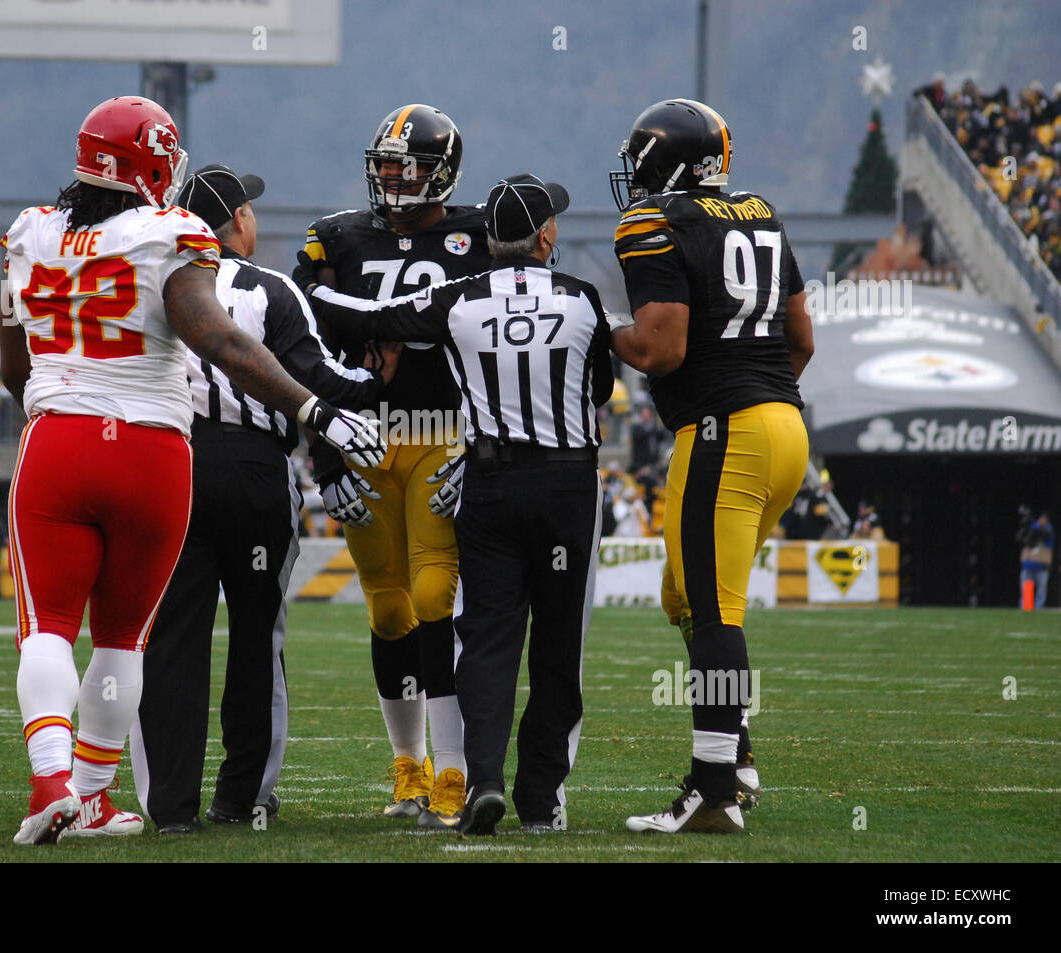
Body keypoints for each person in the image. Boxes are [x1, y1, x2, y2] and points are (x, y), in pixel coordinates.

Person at [0, 95, 384, 846]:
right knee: (122, 637)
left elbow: (16, 364)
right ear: (153, 162)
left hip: (57, 442)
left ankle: (52, 782)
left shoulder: (29, 232)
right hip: (150, 452)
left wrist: (58, 403)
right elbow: (222, 343)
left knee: (47, 625)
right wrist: (313, 411)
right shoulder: (169, 234)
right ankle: (92, 793)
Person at [303, 173, 613, 834]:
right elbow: (602, 389)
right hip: (564, 484)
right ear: (547, 235)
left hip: (488, 481)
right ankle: (543, 797)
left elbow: (370, 319)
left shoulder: (459, 297)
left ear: (488, 240)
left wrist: (309, 290)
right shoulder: (583, 298)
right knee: (558, 643)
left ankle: (482, 780)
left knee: (487, 639)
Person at [131, 165, 395, 834]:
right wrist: (376, 377)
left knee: (170, 638)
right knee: (257, 635)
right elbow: (317, 376)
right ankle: (241, 796)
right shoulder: (268, 287)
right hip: (252, 470)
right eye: (248, 209)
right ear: (235, 222)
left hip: (172, 463)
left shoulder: (153, 283)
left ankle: (170, 807)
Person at [607, 99, 814, 833]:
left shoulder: (653, 221)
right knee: (683, 595)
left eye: (641, 158)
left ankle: (715, 786)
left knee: (716, 607)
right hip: (784, 427)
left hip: (726, 431)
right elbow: (802, 339)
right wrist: (758, 393)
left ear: (668, 161)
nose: (633, 174)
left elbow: (660, 349)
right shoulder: (761, 213)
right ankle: (739, 748)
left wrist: (604, 334)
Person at [295, 104, 492, 827]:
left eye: (404, 167)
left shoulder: (475, 236)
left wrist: (482, 444)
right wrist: (325, 456)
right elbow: (303, 344)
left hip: (441, 430)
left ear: (440, 171)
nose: (390, 178)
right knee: (386, 605)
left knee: (437, 596)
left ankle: (452, 773)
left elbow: (494, 341)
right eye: (383, 165)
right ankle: (408, 769)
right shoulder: (338, 237)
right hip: (364, 432)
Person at [1019, 511, 1053, 608]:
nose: (1041, 522)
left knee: (1041, 590)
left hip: (1042, 567)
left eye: (1044, 520)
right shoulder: (1031, 528)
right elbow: (1023, 537)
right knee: (1025, 588)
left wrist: (1034, 523)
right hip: (1028, 565)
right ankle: (1026, 607)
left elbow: (1044, 532)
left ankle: (1039, 608)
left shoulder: (1049, 530)